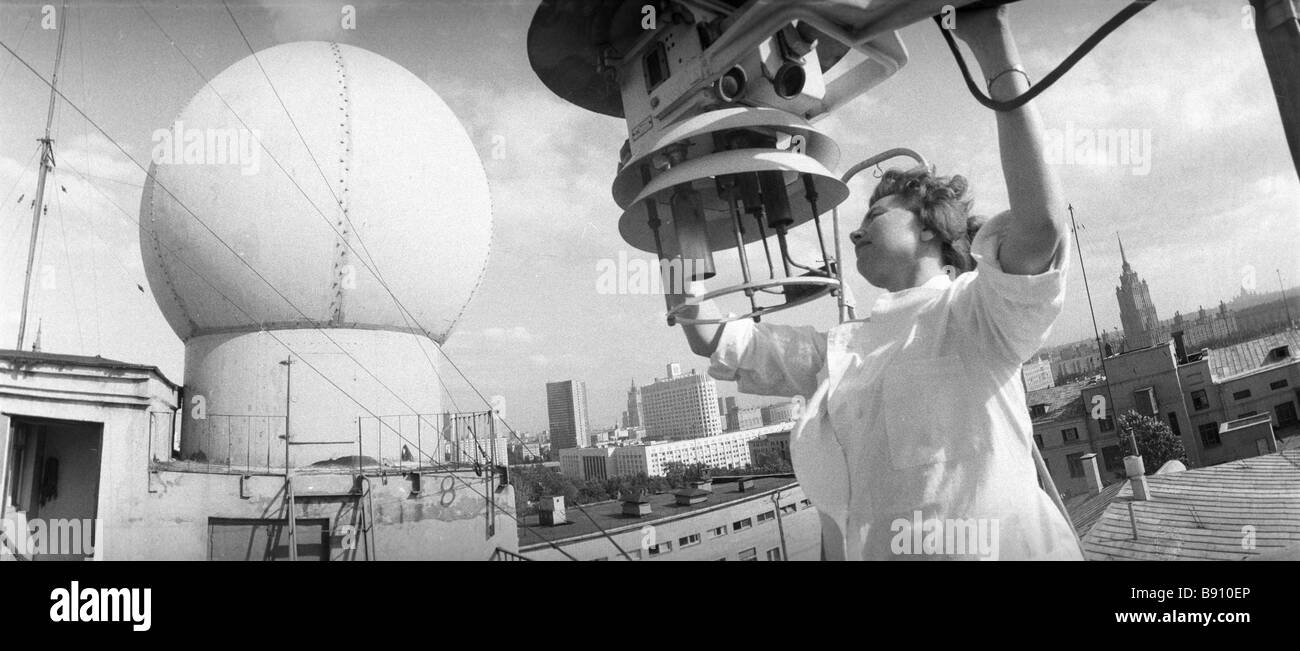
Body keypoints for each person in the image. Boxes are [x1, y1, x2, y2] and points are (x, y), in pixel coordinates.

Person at [669, 6, 1083, 560]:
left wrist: (994, 44)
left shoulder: (976, 315)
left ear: (933, 228)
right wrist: (676, 208)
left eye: (876, 214)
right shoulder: (840, 351)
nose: (856, 232)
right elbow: (706, 333)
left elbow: (1041, 226)